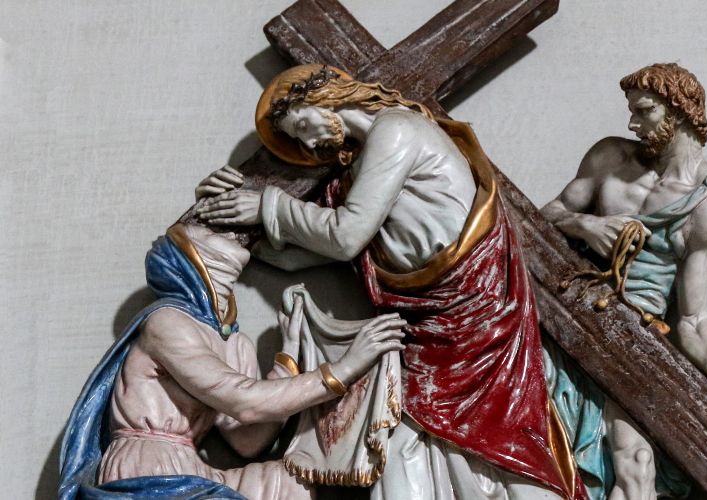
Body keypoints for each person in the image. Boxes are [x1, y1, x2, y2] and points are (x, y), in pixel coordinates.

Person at [197, 64, 588, 499]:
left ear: (326, 98)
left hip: (475, 317)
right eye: (298, 139)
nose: (308, 144)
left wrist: (266, 205)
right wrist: (223, 219)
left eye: (303, 125)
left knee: (494, 437)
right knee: (410, 444)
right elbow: (300, 255)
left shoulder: (396, 130)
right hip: (423, 324)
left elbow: (344, 237)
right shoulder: (356, 175)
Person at [540, 63, 707, 498]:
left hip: (633, 339)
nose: (632, 123)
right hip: (566, 312)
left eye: (643, 111)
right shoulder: (610, 157)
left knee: (636, 464)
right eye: (631, 111)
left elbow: (692, 316)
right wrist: (585, 225)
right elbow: (546, 215)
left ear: (680, 112)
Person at [58, 223, 405, 500]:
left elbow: (247, 440)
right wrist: (343, 370)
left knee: (291, 483)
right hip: (148, 467)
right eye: (209, 232)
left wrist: (288, 352)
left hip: (191, 468)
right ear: (187, 260)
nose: (227, 236)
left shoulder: (233, 343)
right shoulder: (167, 323)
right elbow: (245, 402)